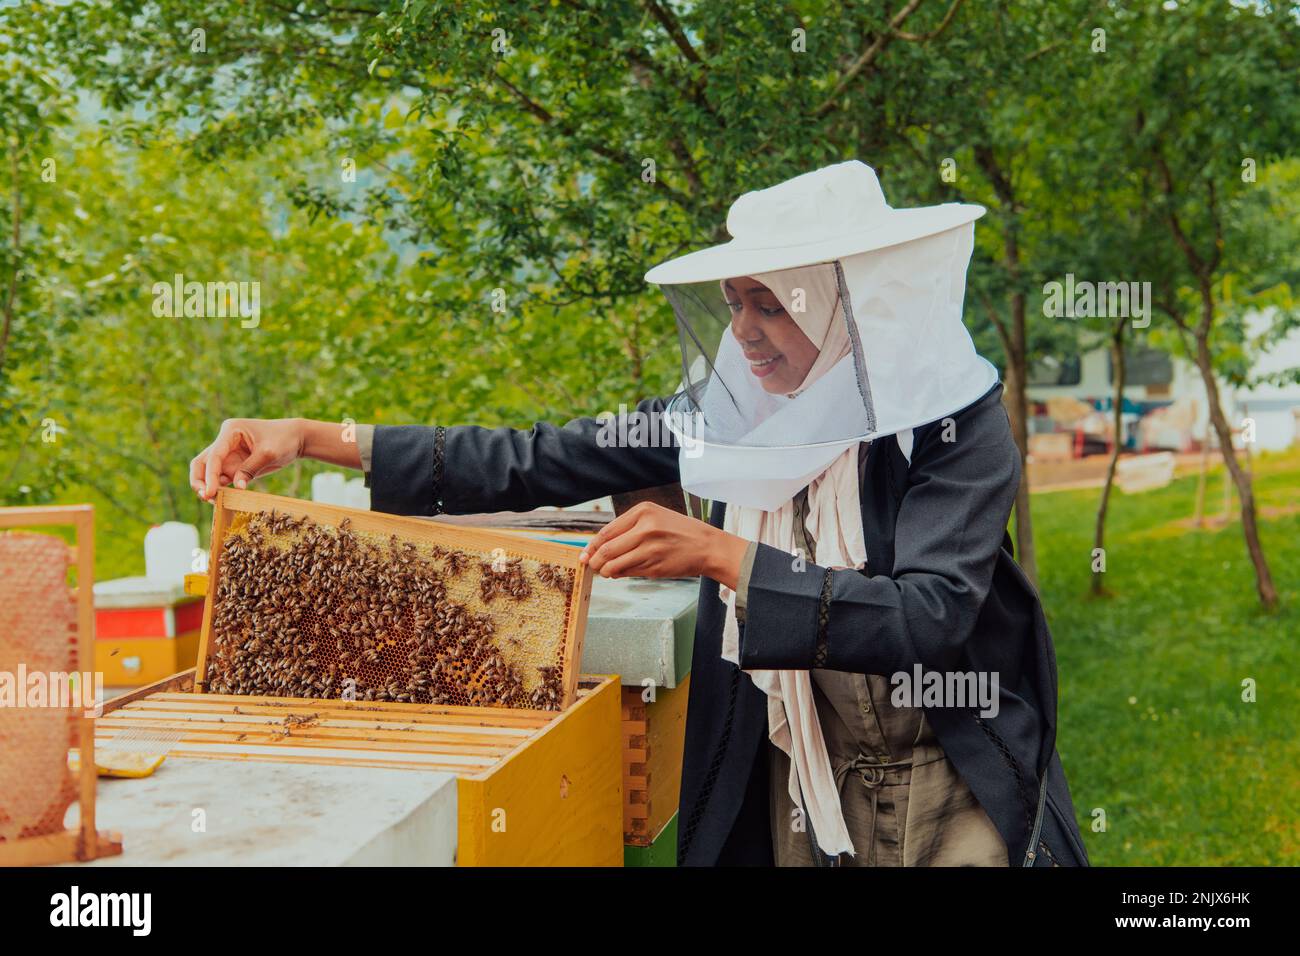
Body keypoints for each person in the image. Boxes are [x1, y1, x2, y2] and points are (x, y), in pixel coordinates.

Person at [189, 160, 1089, 867]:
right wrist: (311, 434)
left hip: (949, 783)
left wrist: (726, 556)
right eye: (735, 303)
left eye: (770, 304)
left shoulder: (953, 426)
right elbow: (538, 456)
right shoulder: (727, 418)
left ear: (848, 306)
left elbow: (929, 614)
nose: (741, 331)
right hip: (798, 783)